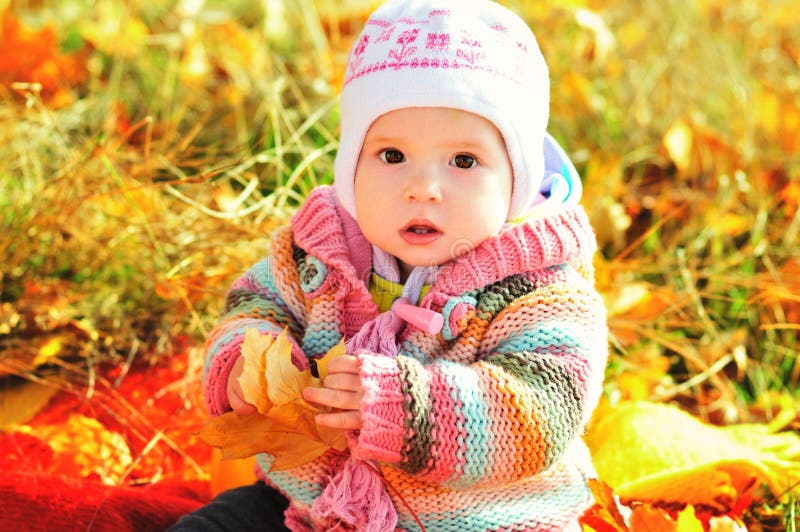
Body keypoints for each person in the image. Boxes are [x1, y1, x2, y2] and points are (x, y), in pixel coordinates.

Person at [172, 0, 608, 530]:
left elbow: (544, 408)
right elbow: (254, 304)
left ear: (516, 177)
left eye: (464, 161)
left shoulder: (539, 289)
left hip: (482, 519)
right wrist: (246, 359)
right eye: (392, 156)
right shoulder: (319, 253)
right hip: (315, 507)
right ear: (352, 162)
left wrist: (406, 408)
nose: (422, 188)